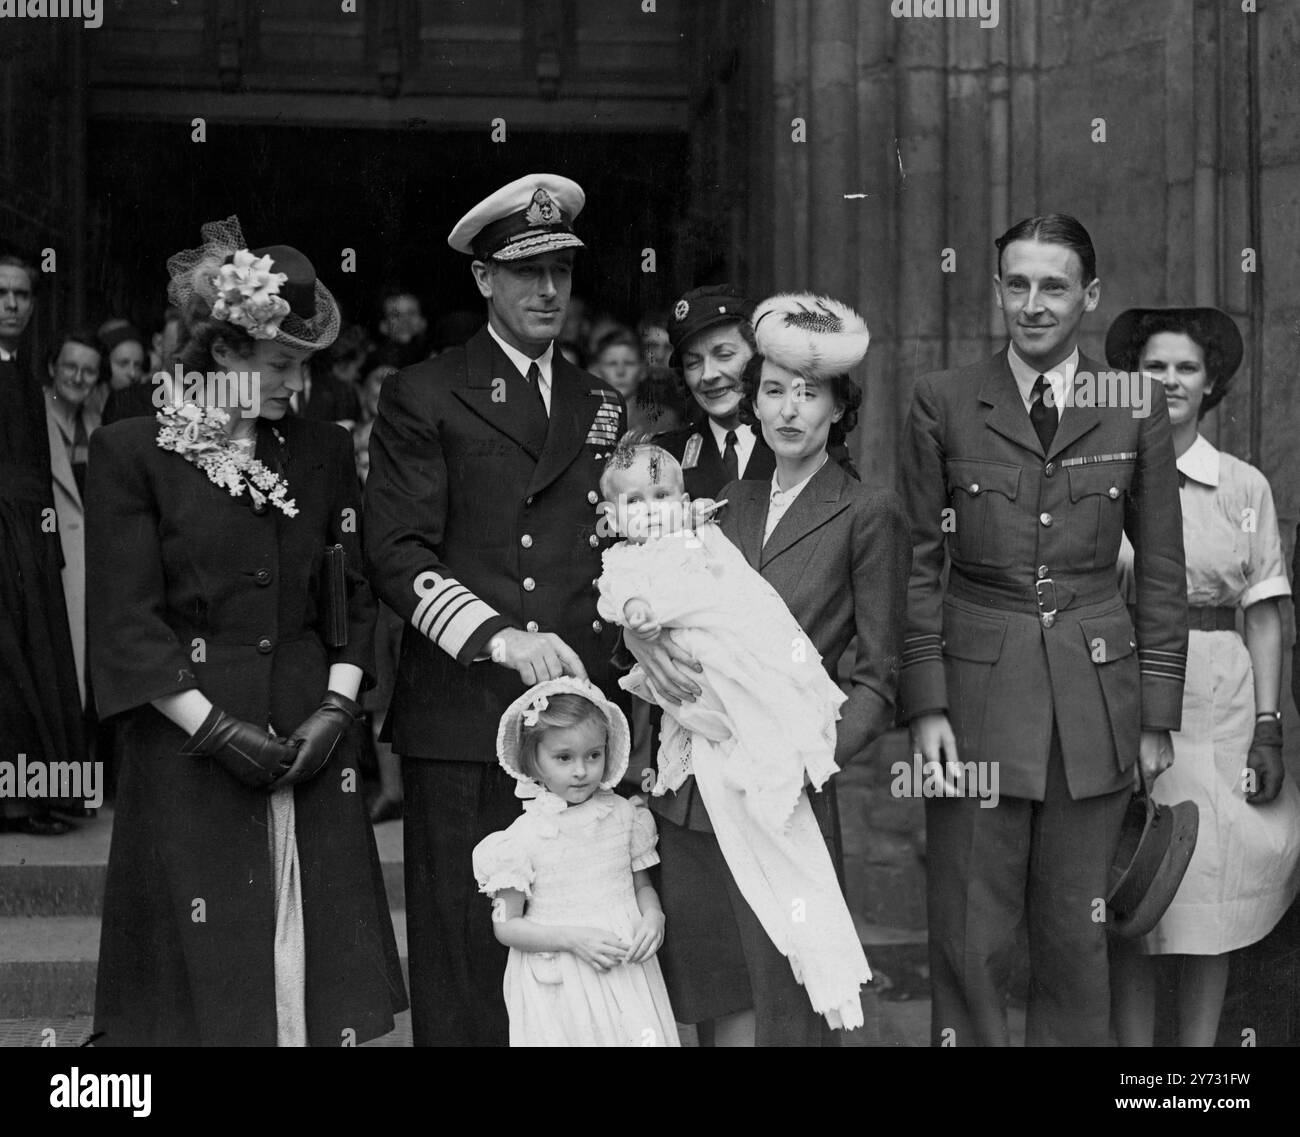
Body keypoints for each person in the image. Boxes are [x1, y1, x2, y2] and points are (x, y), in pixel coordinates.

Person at [86, 217, 406, 1046]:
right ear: (224, 355)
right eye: (278, 366)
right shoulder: (134, 451)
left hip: (307, 734)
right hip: (188, 744)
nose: (294, 387)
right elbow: (126, 620)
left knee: (313, 976)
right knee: (200, 977)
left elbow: (355, 592)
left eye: (304, 367)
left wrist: (336, 712)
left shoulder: (324, 449)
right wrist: (215, 729)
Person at [899, 214, 1189, 1047]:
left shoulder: (1130, 402)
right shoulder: (944, 398)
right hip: (976, 700)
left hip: (1094, 702)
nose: (1033, 304)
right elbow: (919, 558)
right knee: (970, 935)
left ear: (1090, 296)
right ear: (996, 290)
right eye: (1017, 284)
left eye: (1054, 286)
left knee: (1074, 937)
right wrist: (926, 707)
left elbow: (1162, 566)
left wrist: (1156, 715)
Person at [364, 173, 626, 1047]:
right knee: (467, 951)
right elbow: (396, 549)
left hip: (578, 726)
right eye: (524, 271)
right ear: (483, 280)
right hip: (463, 716)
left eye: (560, 269)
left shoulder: (601, 403)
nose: (548, 290)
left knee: (578, 949)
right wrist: (498, 636)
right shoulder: (425, 392)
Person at [631, 291, 910, 1046]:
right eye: (775, 390)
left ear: (838, 408)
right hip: (694, 791)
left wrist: (808, 760)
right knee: (717, 993)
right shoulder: (725, 501)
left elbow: (880, 679)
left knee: (786, 1002)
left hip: (781, 788)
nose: (790, 410)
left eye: (809, 393)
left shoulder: (866, 510)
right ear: (753, 402)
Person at [597, 433, 870, 1029]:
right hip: (691, 760)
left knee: (776, 955)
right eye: (637, 503)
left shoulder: (719, 524)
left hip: (760, 703)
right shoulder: (640, 549)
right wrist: (638, 629)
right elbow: (622, 606)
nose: (654, 509)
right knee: (711, 974)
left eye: (662, 494)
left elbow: (751, 606)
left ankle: (832, 975)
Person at [1105, 307, 1300, 1046]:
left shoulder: (1241, 486)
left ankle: (1195, 1075)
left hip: (1217, 703)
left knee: (1211, 899)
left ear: (1210, 381)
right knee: (1134, 893)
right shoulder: (1107, 476)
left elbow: (1264, 614)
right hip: (1130, 696)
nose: (1170, 381)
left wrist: (1269, 726)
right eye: (1154, 368)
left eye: (1186, 367)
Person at [472, 677, 679, 1046]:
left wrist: (653, 916)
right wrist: (572, 938)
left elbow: (641, 886)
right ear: (534, 762)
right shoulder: (521, 839)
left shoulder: (623, 816)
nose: (581, 770)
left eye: (593, 755)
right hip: (563, 974)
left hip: (625, 966)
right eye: (564, 758)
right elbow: (506, 926)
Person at [0, 253, 87, 836]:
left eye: (23, 295)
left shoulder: (26, 379)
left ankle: (36, 796)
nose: (11, 305)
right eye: (2, 293)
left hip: (27, 537)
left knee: (35, 657)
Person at [43, 332, 102, 713]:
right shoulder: (34, 420)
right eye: (70, 367)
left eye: (89, 371)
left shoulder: (99, 425)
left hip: (93, 568)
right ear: (52, 368)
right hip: (50, 562)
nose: (79, 378)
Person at [374, 289, 429, 368]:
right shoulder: (377, 365)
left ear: (423, 321)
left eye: (411, 313)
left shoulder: (437, 357)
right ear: (384, 326)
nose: (404, 320)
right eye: (395, 315)